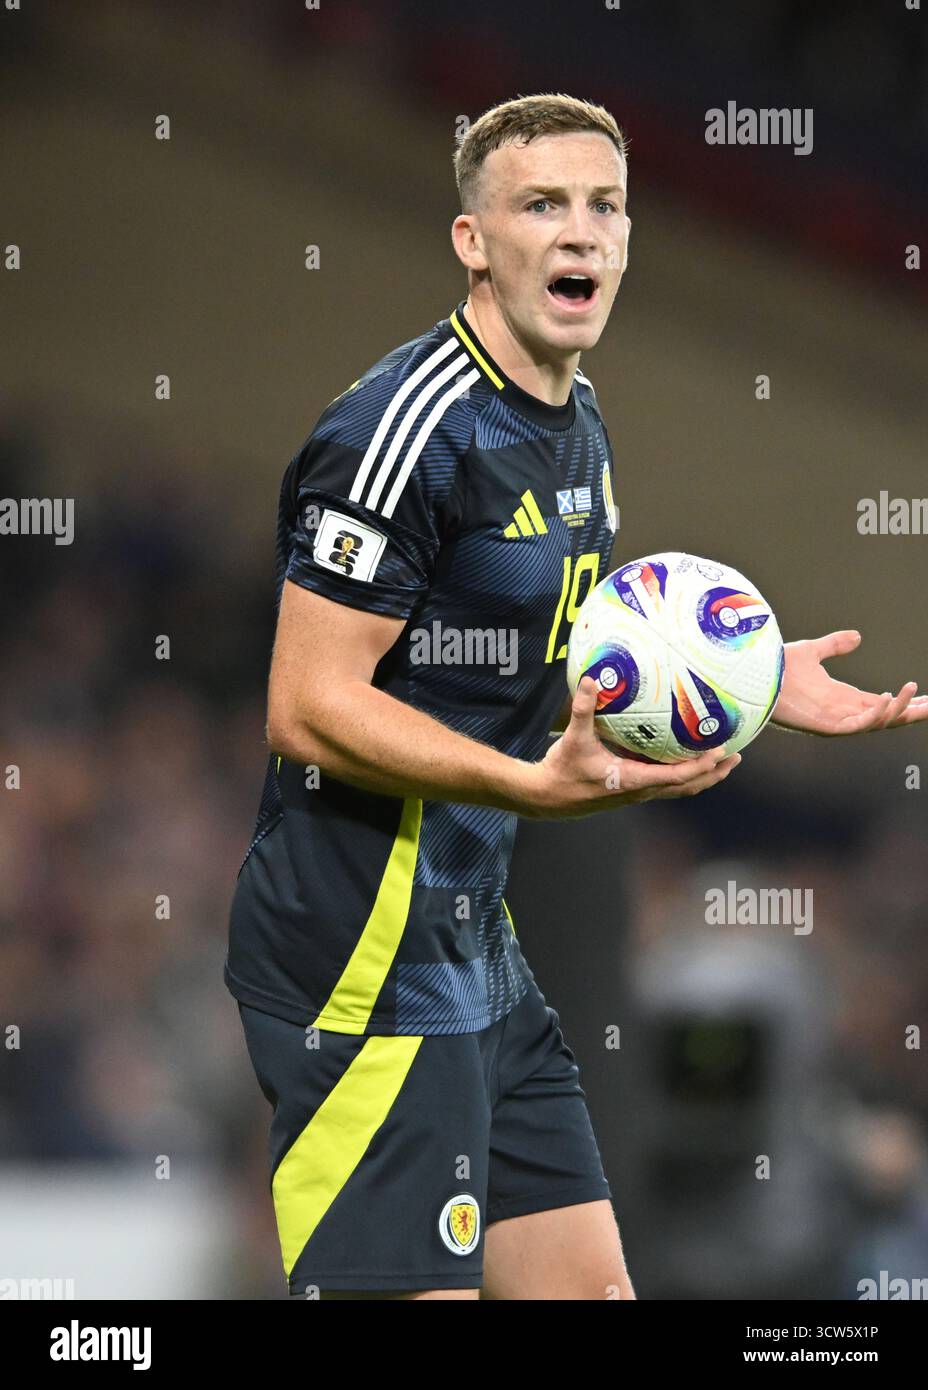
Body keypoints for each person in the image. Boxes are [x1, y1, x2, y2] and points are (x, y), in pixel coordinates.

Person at [225, 92, 928, 1300]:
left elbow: (539, 649)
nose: (581, 232)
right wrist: (528, 787)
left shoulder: (577, 426)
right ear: (472, 241)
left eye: (604, 204)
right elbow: (304, 703)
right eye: (542, 204)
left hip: (470, 941)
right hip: (359, 951)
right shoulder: (401, 432)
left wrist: (750, 683)